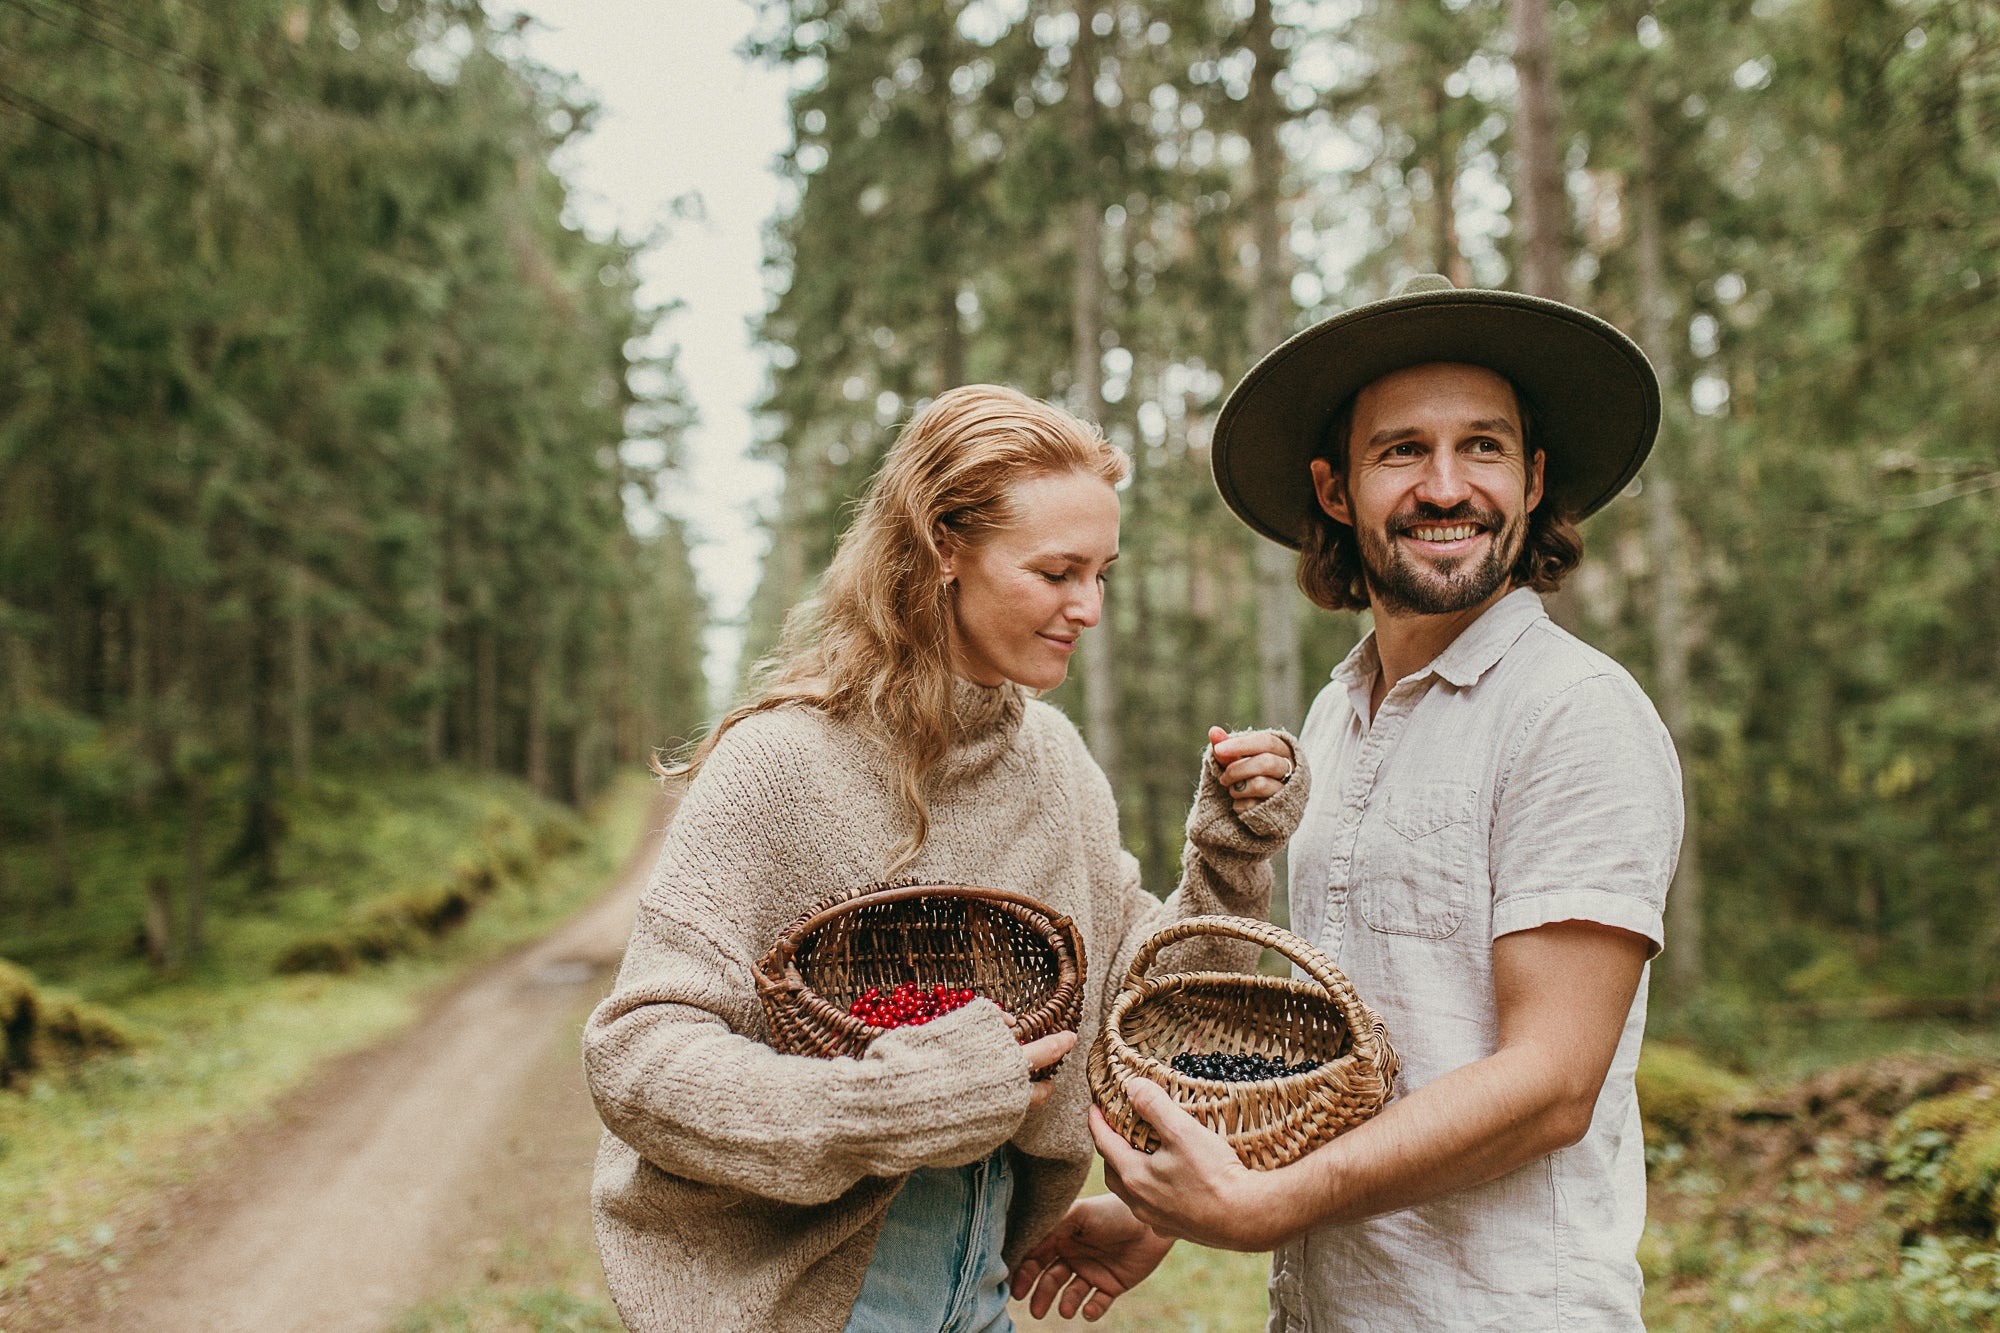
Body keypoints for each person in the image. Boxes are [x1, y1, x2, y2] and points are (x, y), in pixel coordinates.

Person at [1012, 275, 1685, 1330]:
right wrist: (1174, 1209)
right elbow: (1343, 1058)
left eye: (1484, 446)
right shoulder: (1336, 717)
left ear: (1533, 477)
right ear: (1336, 490)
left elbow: (1553, 1083)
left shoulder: (1573, 713)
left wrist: (1272, 1203)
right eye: (1402, 450)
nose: (1446, 486)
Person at [582, 383, 1308, 1333]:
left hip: (981, 1283)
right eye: (1057, 571)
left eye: (1102, 573)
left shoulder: (1056, 764)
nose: (1089, 606)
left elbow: (1153, 1005)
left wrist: (1230, 850)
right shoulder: (781, 764)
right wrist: (892, 1102)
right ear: (943, 549)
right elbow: (637, 1056)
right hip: (814, 1299)